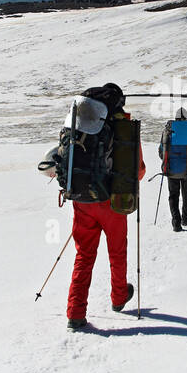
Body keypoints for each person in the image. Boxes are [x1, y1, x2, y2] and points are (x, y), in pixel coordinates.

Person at [39, 83, 145, 330]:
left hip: (81, 200)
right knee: (117, 252)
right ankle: (119, 298)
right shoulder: (123, 130)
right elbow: (138, 171)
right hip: (111, 202)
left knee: (84, 255)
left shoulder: (80, 125)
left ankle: (75, 313)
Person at [158, 106, 187, 232]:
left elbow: (161, 151)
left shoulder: (167, 130)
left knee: (173, 196)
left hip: (171, 169)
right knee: (186, 194)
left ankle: (176, 223)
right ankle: (185, 218)